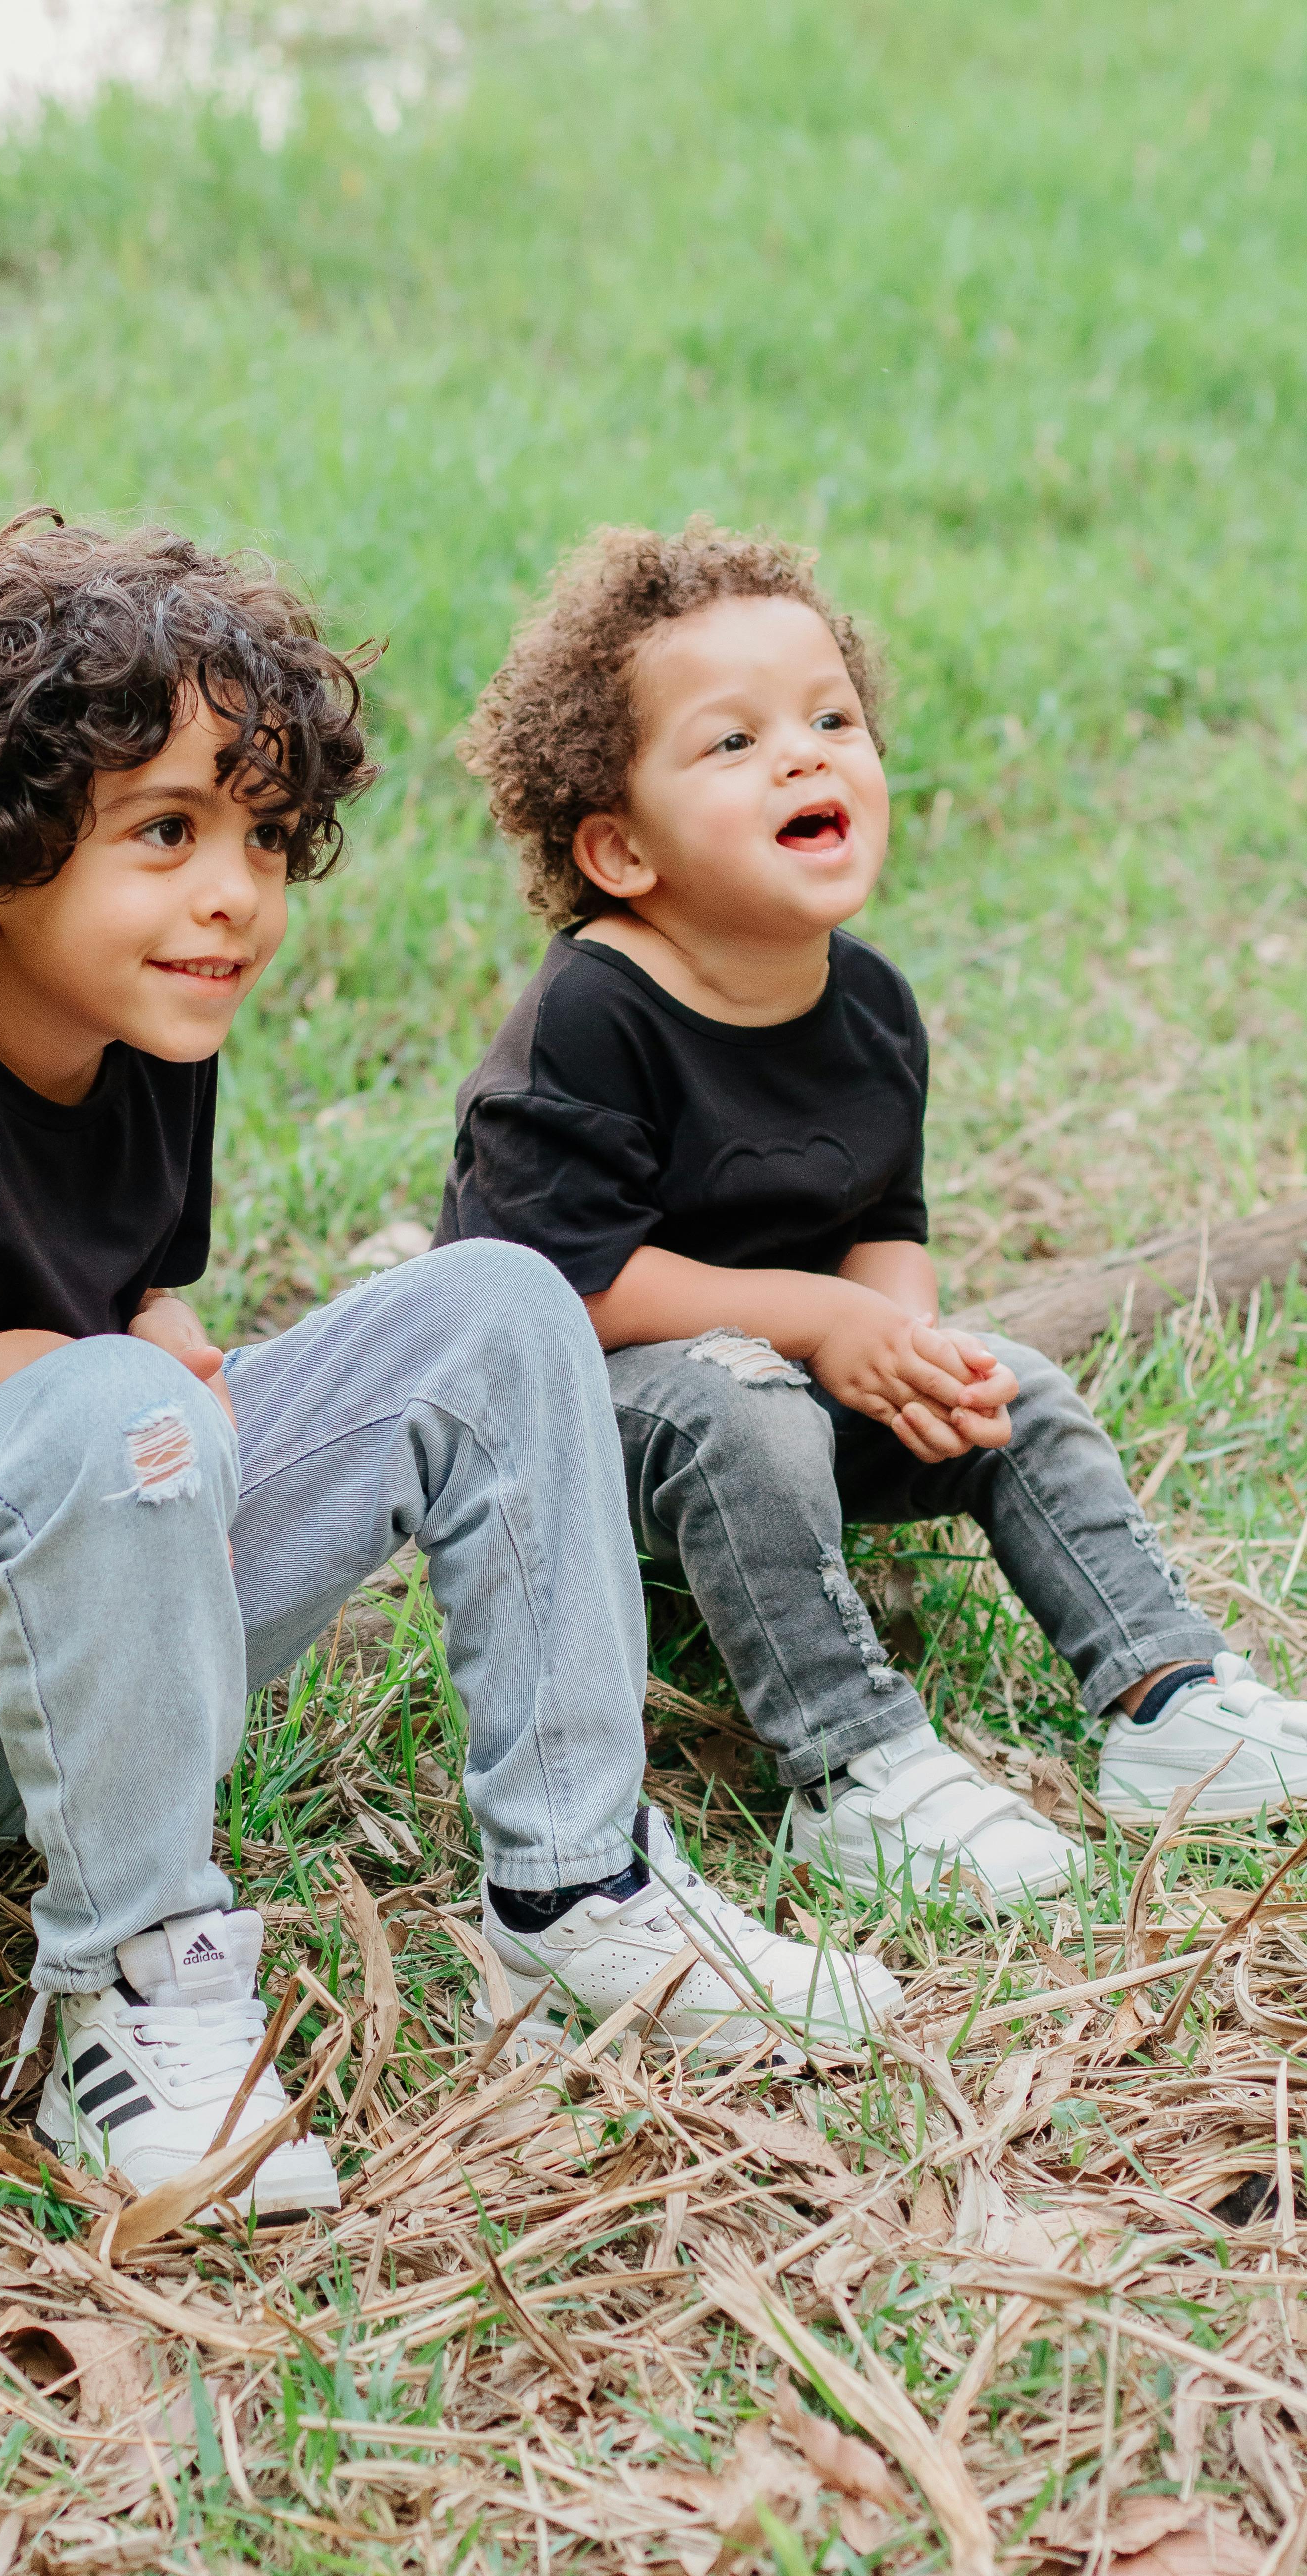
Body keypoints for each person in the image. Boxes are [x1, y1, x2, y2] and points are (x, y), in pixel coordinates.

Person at [0, 513, 900, 2224]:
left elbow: (120, 1312)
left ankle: (579, 1888)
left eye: (263, 837)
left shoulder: (149, 1033)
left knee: (502, 1301)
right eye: (166, 833)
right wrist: (32, 1371)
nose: (235, 896)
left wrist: (138, 1346)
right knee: (98, 1401)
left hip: (89, 1612)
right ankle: (132, 1995)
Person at [436, 519, 1307, 1914]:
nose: (804, 754)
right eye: (733, 744)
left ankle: (1168, 1695)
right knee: (743, 1407)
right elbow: (563, 1287)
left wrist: (904, 1343)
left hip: (786, 1382)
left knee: (1018, 1388)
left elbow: (880, 1221)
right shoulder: (595, 1014)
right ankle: (857, 1771)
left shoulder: (870, 1004)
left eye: (832, 717)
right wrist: (824, 1324)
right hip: (589, 1423)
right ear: (618, 848)